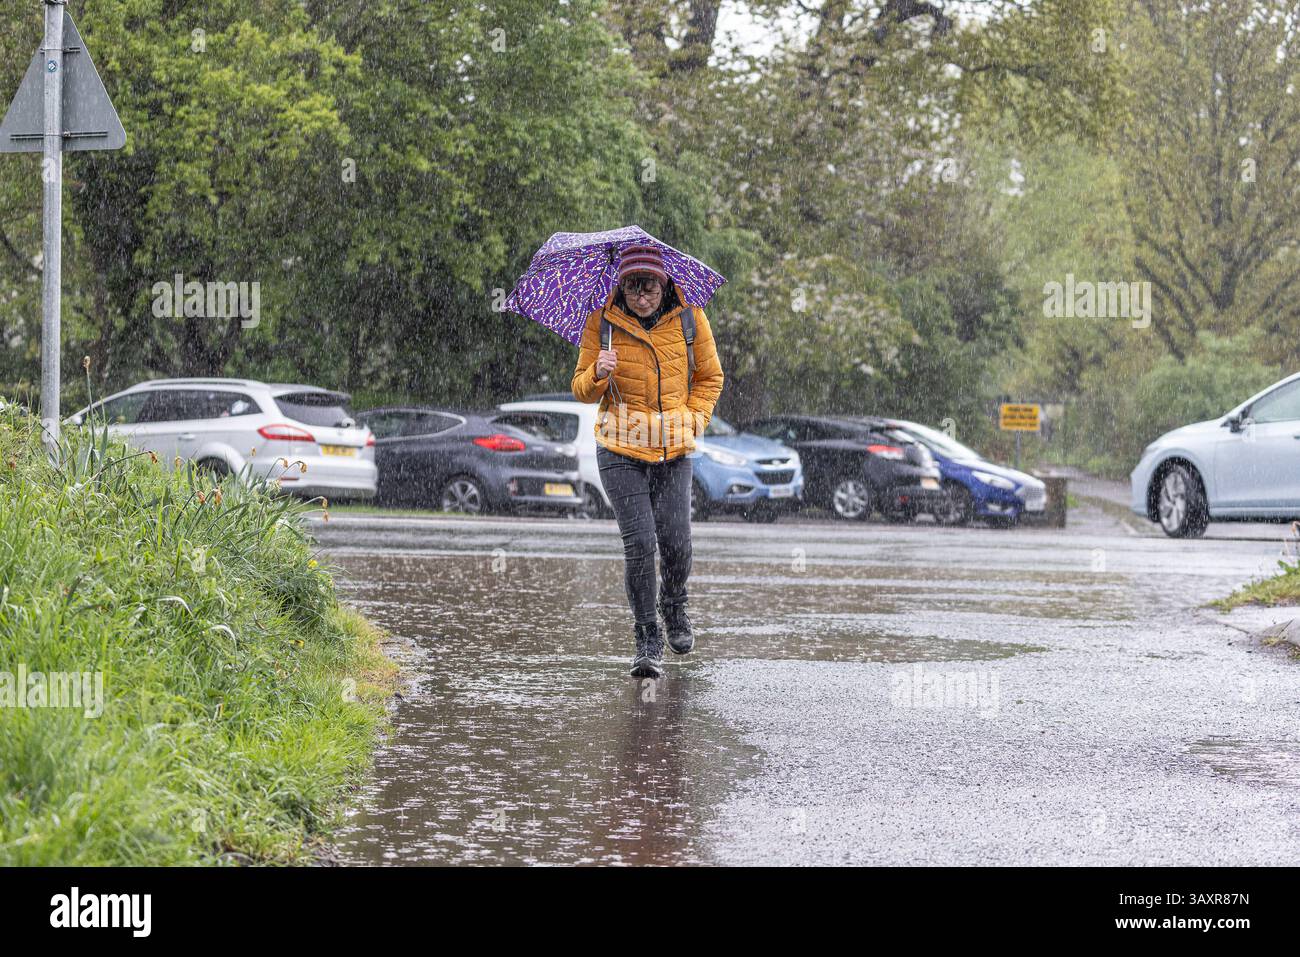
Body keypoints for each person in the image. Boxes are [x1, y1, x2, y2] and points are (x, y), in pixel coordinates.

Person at [571, 244, 724, 678]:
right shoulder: (601, 323)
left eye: (650, 286)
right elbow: (580, 389)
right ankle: (646, 637)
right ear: (621, 285)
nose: (642, 296)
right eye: (634, 287)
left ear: (664, 284)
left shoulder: (691, 319)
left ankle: (673, 605)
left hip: (673, 451)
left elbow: (710, 378)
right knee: (640, 544)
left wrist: (692, 422)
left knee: (676, 542)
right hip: (620, 450)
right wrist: (598, 373)